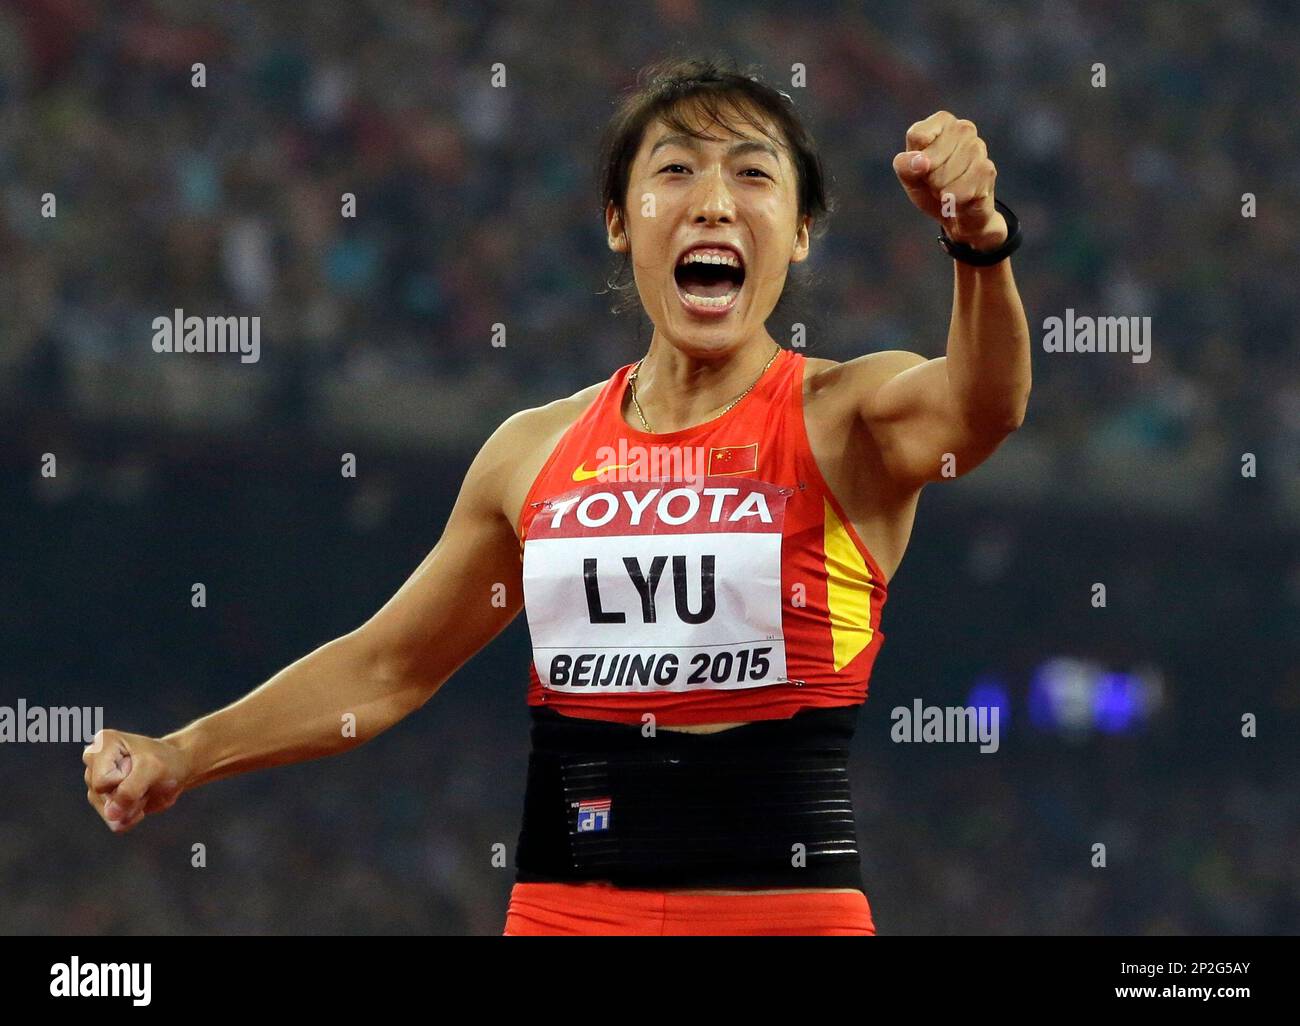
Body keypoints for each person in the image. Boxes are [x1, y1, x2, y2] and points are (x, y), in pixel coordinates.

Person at [83, 55, 1030, 936]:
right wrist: (183, 753)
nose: (712, 202)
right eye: (674, 171)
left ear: (800, 231)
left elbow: (984, 406)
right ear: (618, 220)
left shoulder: (846, 415)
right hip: (563, 918)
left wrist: (978, 242)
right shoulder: (532, 454)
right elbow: (385, 671)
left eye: (752, 175)